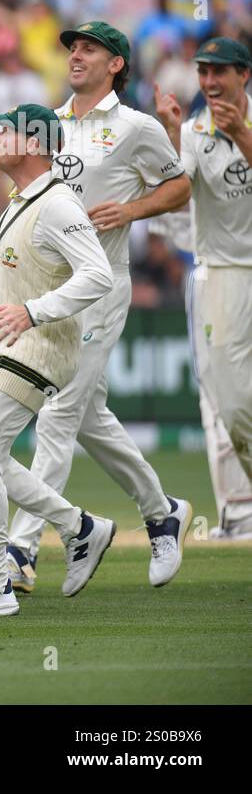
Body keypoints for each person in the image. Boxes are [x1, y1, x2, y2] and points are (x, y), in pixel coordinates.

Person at [5, 22, 193, 593]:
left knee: (58, 413)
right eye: (72, 48)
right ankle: (162, 511)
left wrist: (131, 210)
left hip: (103, 286)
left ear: (116, 64)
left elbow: (180, 187)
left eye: (89, 49)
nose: (76, 55)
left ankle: (20, 550)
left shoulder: (136, 127)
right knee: (87, 417)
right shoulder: (49, 123)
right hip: (51, 289)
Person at [0, 105, 116, 617]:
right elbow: (9, 290)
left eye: (5, 130)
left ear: (34, 143)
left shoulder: (57, 203)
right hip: (4, 347)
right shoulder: (21, 199)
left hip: (39, 347)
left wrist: (34, 312)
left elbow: (98, 275)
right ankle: (80, 527)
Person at [156, 36, 252, 539]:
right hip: (220, 273)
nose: (210, 81)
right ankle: (240, 511)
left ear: (244, 76)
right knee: (226, 404)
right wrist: (173, 135)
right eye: (203, 72)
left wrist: (243, 136)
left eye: (220, 71)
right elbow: (175, 196)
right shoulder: (195, 131)